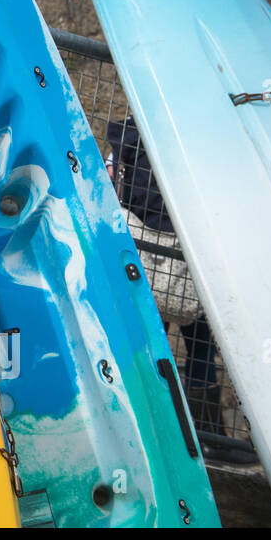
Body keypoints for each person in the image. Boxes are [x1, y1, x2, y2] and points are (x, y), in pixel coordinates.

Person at [107, 116, 224, 437]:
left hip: (140, 257)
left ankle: (142, 421)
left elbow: (113, 181)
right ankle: (207, 431)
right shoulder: (196, 135)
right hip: (184, 260)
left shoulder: (126, 138)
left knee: (145, 340)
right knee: (199, 344)